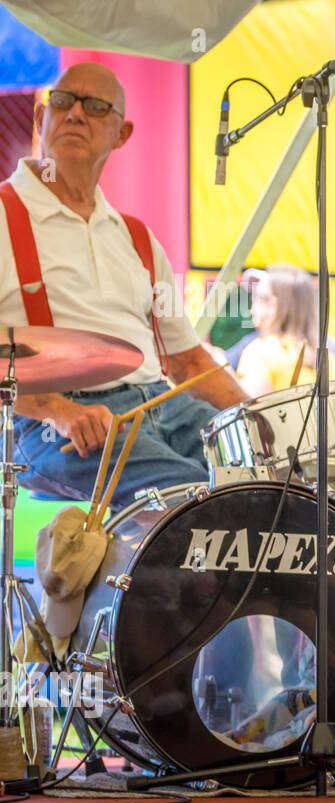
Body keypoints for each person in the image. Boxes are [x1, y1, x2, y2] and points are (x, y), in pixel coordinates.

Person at [3, 63, 246, 509]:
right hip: (49, 421)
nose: (75, 114)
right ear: (41, 120)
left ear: (122, 134)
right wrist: (60, 411)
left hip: (164, 406)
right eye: (62, 102)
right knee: (201, 500)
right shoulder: (3, 215)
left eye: (95, 106)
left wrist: (264, 422)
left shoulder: (138, 238)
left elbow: (190, 364)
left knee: (265, 483)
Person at [235, 265, 335, 397]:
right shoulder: (328, 354)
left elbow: (253, 415)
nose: (252, 307)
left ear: (273, 306)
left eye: (258, 298)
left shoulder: (260, 352)